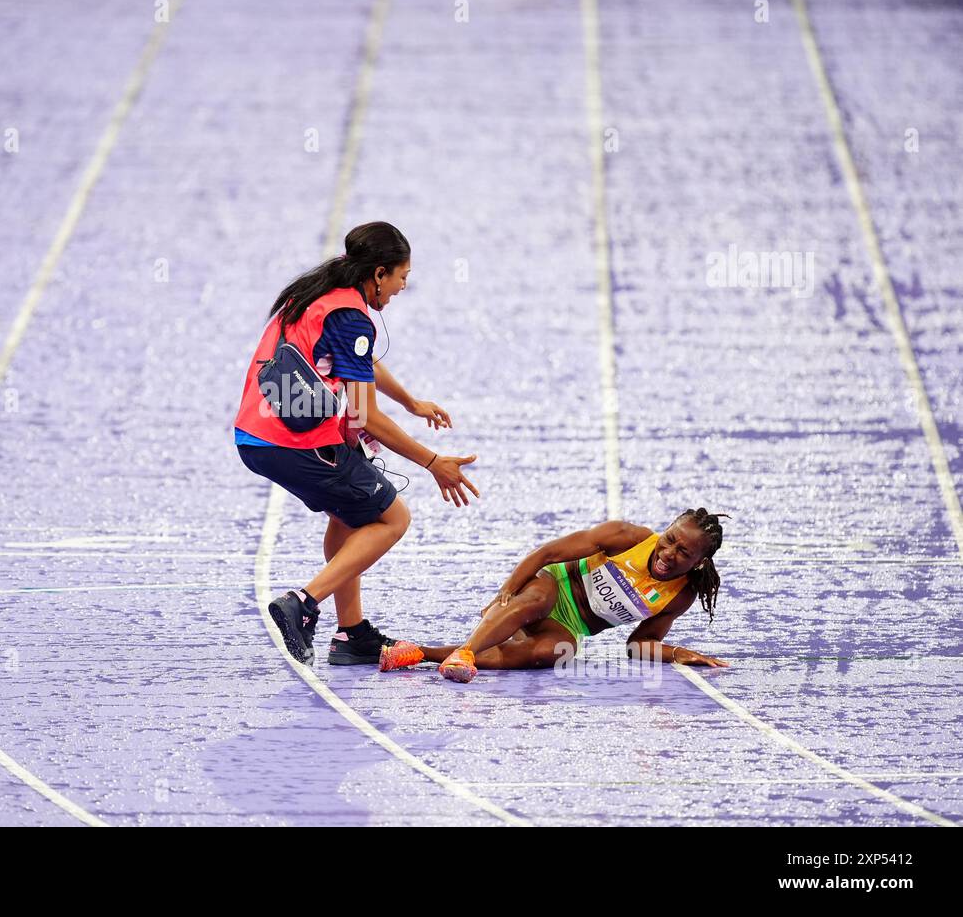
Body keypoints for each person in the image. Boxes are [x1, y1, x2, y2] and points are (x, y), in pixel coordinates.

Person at [234, 221, 480, 666]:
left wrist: (409, 401)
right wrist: (433, 462)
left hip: (256, 433)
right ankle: (304, 603)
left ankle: (352, 636)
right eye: (402, 277)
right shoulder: (352, 318)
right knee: (391, 518)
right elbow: (365, 416)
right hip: (293, 442)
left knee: (350, 513)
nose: (403, 287)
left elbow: (355, 363)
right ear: (380, 273)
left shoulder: (317, 292)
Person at [379, 509, 731, 680]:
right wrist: (507, 593)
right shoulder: (628, 537)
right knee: (534, 601)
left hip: (571, 623)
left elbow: (638, 645)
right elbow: (545, 554)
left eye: (684, 553)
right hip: (554, 584)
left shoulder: (678, 596)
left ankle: (420, 652)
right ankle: (466, 652)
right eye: (669, 540)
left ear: (699, 563)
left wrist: (678, 653)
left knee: (553, 653)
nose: (668, 554)